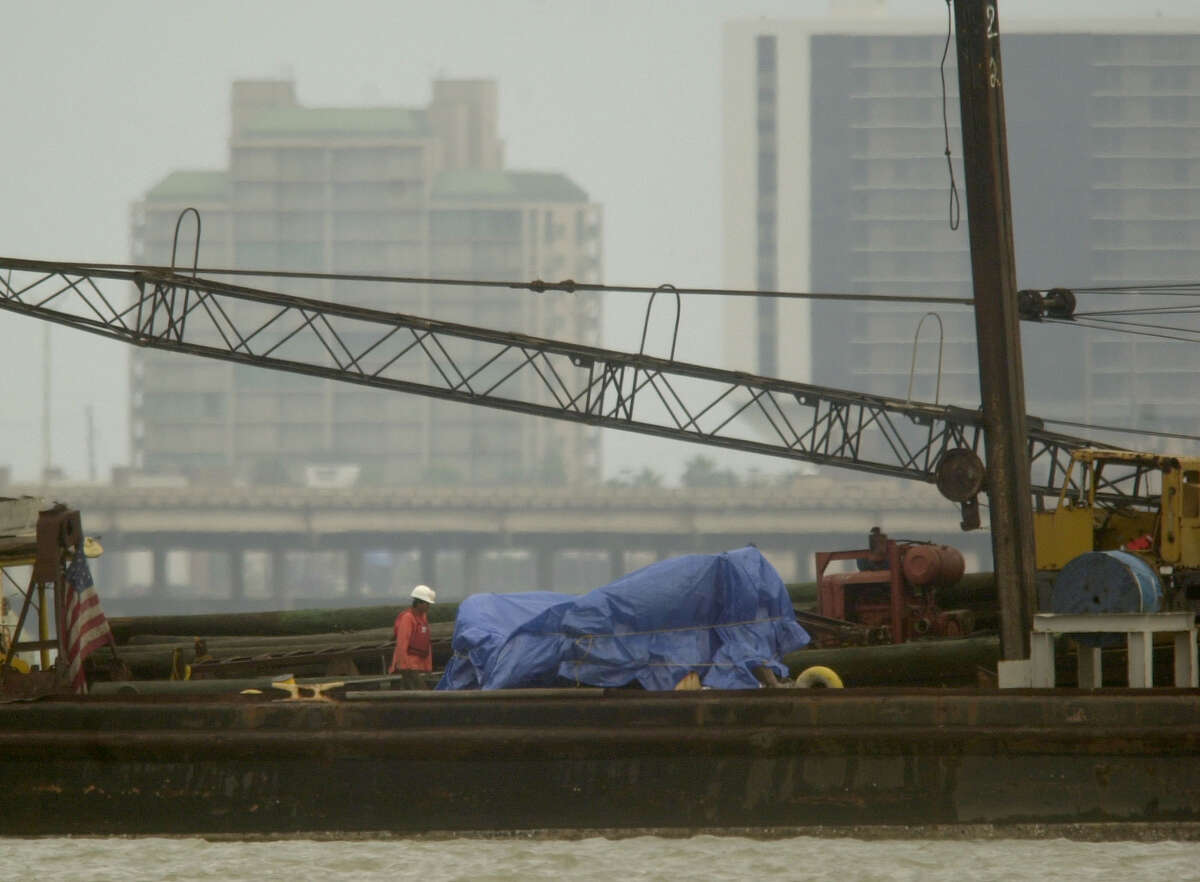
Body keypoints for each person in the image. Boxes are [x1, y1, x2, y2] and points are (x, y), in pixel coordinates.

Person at [389, 584, 436, 689]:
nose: (429, 606)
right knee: (421, 693)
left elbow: (426, 643)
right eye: (427, 603)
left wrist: (428, 667)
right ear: (419, 603)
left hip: (418, 666)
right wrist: (404, 666)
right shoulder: (408, 618)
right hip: (408, 666)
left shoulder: (423, 618)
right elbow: (402, 643)